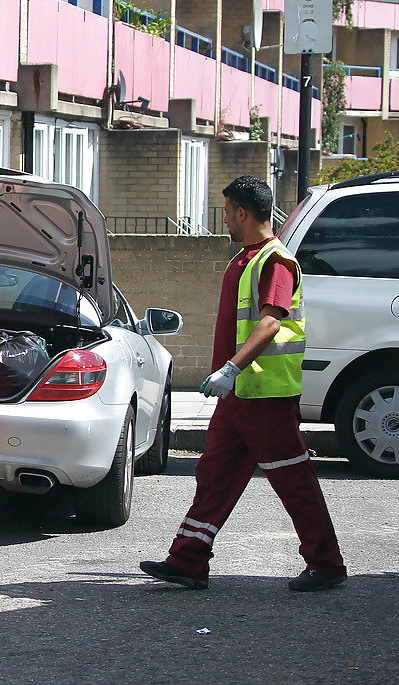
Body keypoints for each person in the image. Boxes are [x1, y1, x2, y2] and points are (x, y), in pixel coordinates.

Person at [140, 176, 346, 592]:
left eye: (228, 213)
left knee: (293, 480)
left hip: (265, 395)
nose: (225, 223)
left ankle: (326, 563)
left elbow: (272, 320)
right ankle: (189, 560)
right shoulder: (248, 258)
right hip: (241, 397)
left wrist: (231, 368)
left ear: (242, 212)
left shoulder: (275, 261)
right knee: (214, 474)